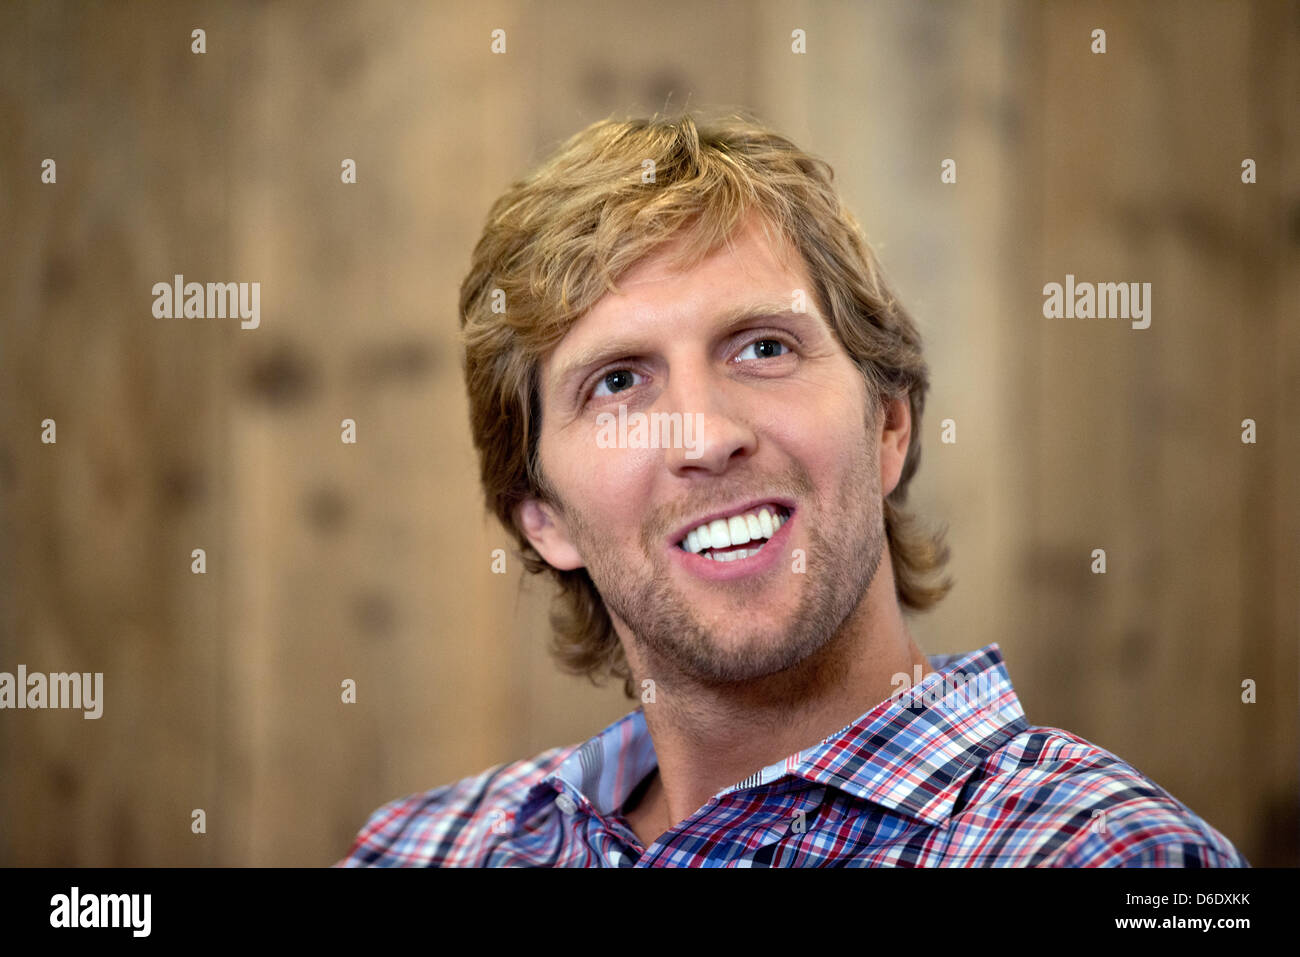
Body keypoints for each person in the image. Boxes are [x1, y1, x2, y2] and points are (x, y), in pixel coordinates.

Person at [337, 112, 1248, 867]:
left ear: (889, 426)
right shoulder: (419, 851)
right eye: (617, 380)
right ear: (545, 520)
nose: (706, 436)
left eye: (764, 348)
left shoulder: (1118, 859)